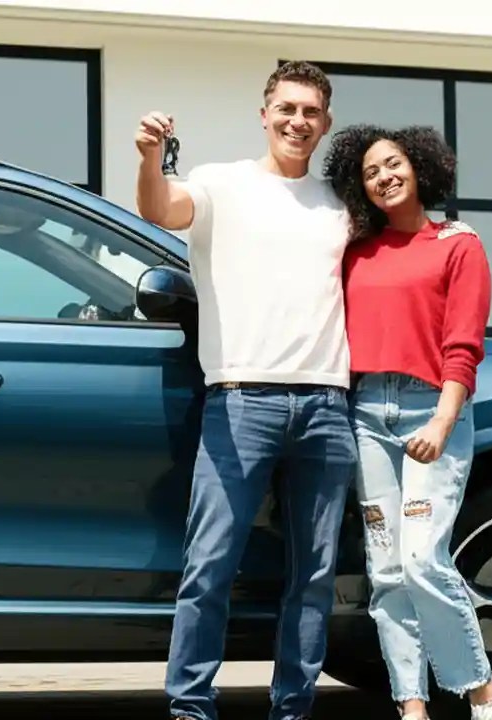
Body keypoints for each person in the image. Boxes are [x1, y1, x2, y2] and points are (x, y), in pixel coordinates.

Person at [133, 61, 358, 720]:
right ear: (265, 114)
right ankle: (190, 708)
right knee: (209, 568)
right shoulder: (220, 184)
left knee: (313, 579)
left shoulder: (338, 204)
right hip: (240, 405)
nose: (297, 121)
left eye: (310, 111)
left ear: (325, 122)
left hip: (327, 406)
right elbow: (160, 208)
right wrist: (150, 158)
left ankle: (293, 709)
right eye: (287, 108)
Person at [325, 123, 492, 720]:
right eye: (370, 172)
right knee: (386, 570)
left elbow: (464, 343)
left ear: (420, 168)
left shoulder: (459, 244)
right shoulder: (356, 251)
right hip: (366, 412)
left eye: (393, 164)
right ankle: (411, 706)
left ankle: (484, 695)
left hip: (429, 409)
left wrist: (442, 420)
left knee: (421, 560)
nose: (384, 176)